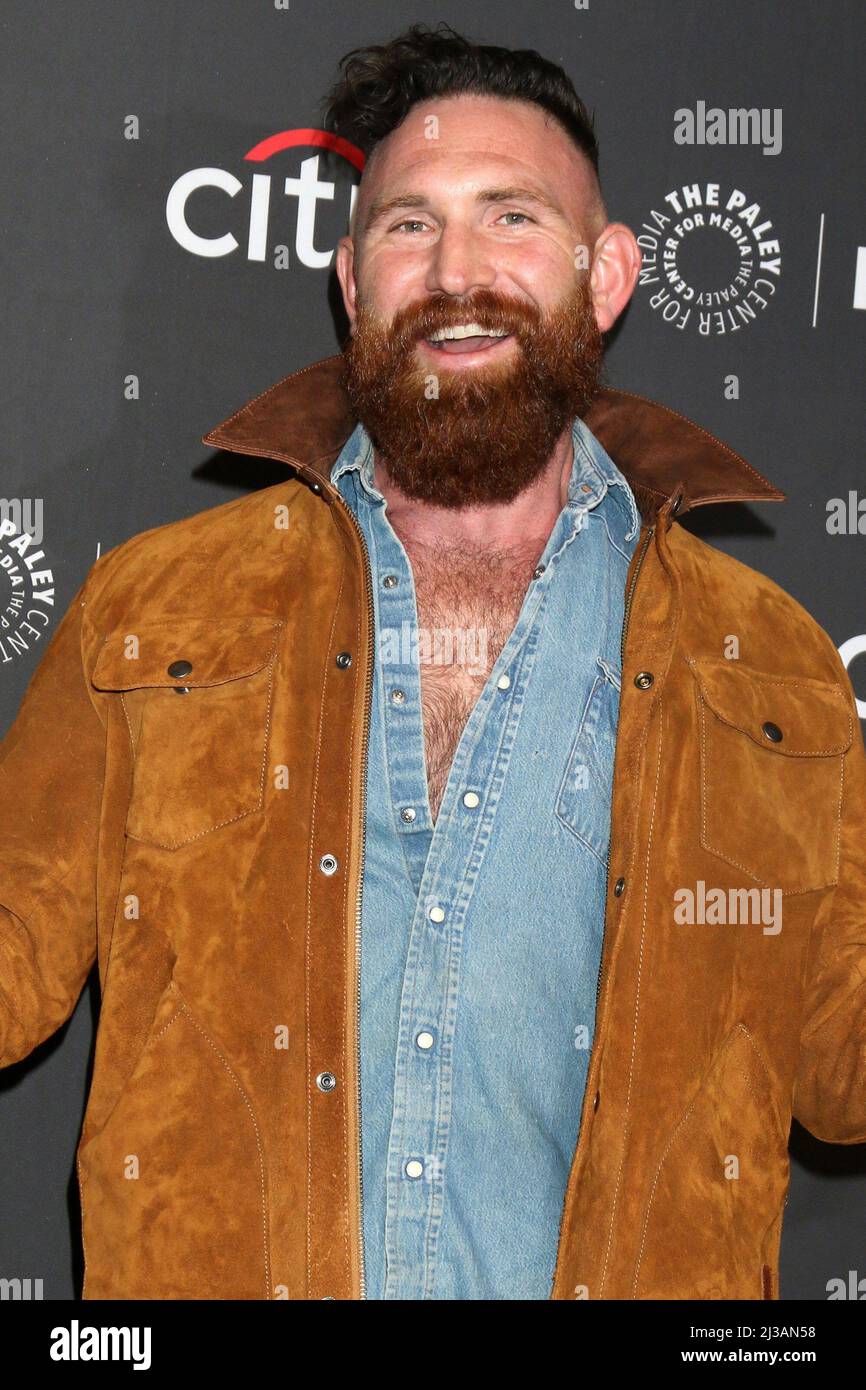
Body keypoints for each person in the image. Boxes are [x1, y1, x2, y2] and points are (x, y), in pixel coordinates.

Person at [0, 22, 863, 1302]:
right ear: (352, 281)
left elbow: (839, 1069)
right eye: (408, 226)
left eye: (510, 216)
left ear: (608, 272)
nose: (456, 270)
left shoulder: (769, 665)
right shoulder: (157, 601)